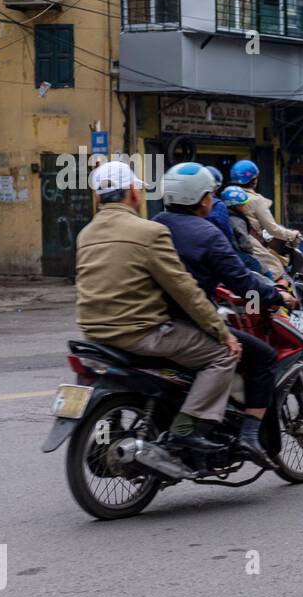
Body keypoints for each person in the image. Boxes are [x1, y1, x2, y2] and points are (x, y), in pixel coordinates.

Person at [75, 160, 241, 454]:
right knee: (222, 355)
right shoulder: (149, 232)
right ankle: (185, 429)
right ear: (133, 194)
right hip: (141, 334)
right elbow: (184, 289)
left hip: (94, 336)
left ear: (98, 197)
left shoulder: (85, 234)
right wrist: (221, 332)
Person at [152, 163, 298, 467]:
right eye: (209, 195)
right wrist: (276, 294)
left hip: (155, 320)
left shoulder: (155, 224)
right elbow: (241, 281)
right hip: (188, 321)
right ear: (203, 199)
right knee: (262, 358)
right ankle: (248, 435)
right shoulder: (207, 232)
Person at [227, 159, 300, 281]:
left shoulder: (228, 196)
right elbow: (272, 229)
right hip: (251, 246)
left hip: (235, 244)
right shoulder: (255, 200)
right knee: (279, 274)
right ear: (254, 180)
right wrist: (292, 235)